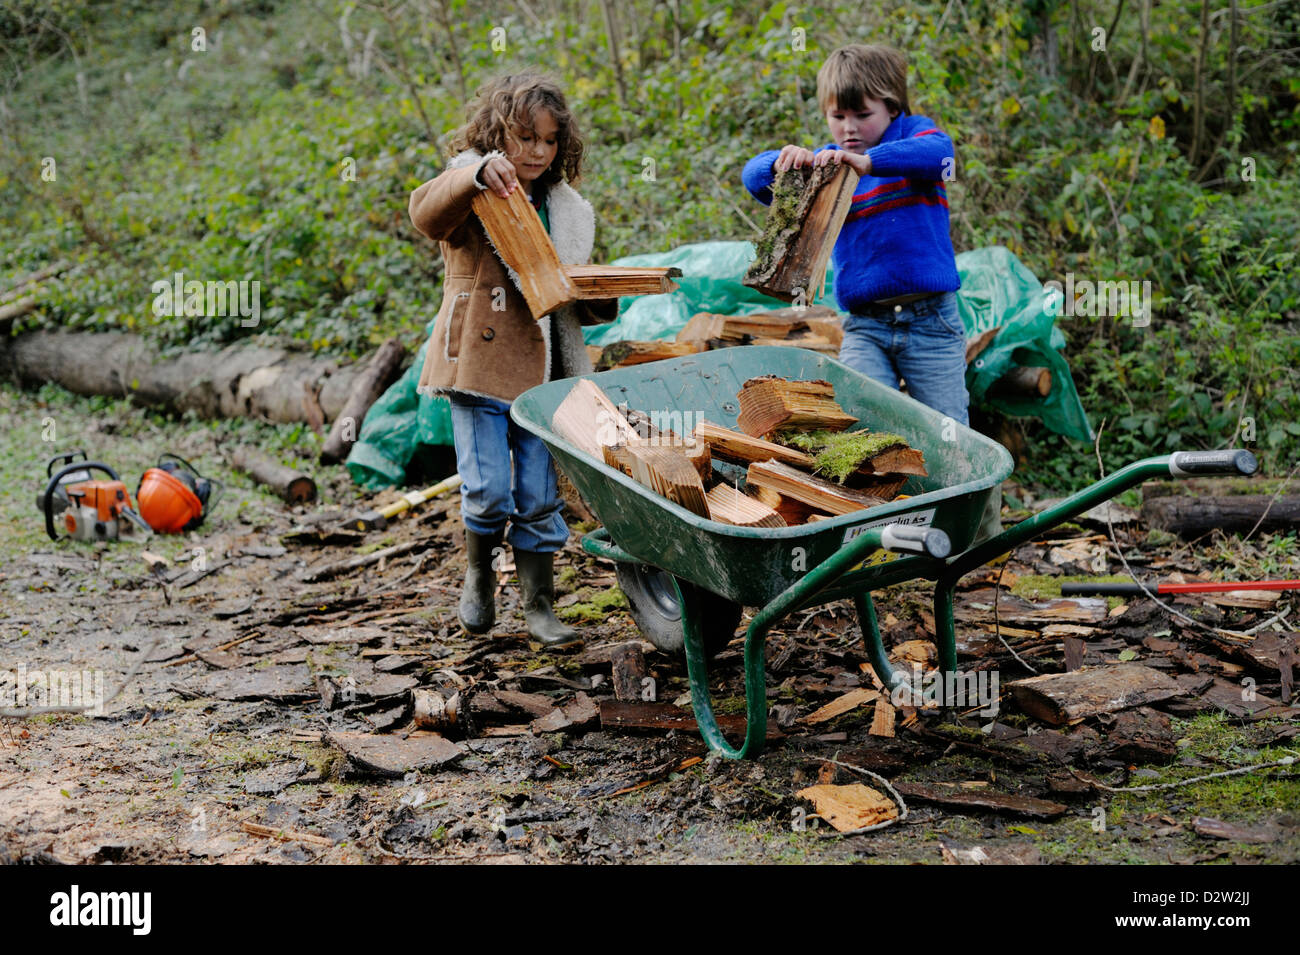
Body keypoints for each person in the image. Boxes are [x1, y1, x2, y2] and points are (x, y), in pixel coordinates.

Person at [407, 73, 616, 648]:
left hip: (545, 368)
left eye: (549, 141)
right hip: (479, 362)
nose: (536, 152)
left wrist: (601, 288)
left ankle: (539, 605)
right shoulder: (468, 183)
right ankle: (477, 573)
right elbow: (424, 214)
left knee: (538, 493)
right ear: (496, 131)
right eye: (525, 137)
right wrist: (472, 174)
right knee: (490, 489)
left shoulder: (565, 207)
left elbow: (563, 290)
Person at [742, 43, 969, 427]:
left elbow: (941, 154)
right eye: (838, 115)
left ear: (892, 108)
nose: (849, 128)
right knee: (864, 421)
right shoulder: (828, 168)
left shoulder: (914, 139)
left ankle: (965, 489)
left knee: (949, 428)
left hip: (931, 322)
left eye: (863, 115)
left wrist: (869, 162)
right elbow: (753, 179)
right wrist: (780, 162)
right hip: (866, 326)